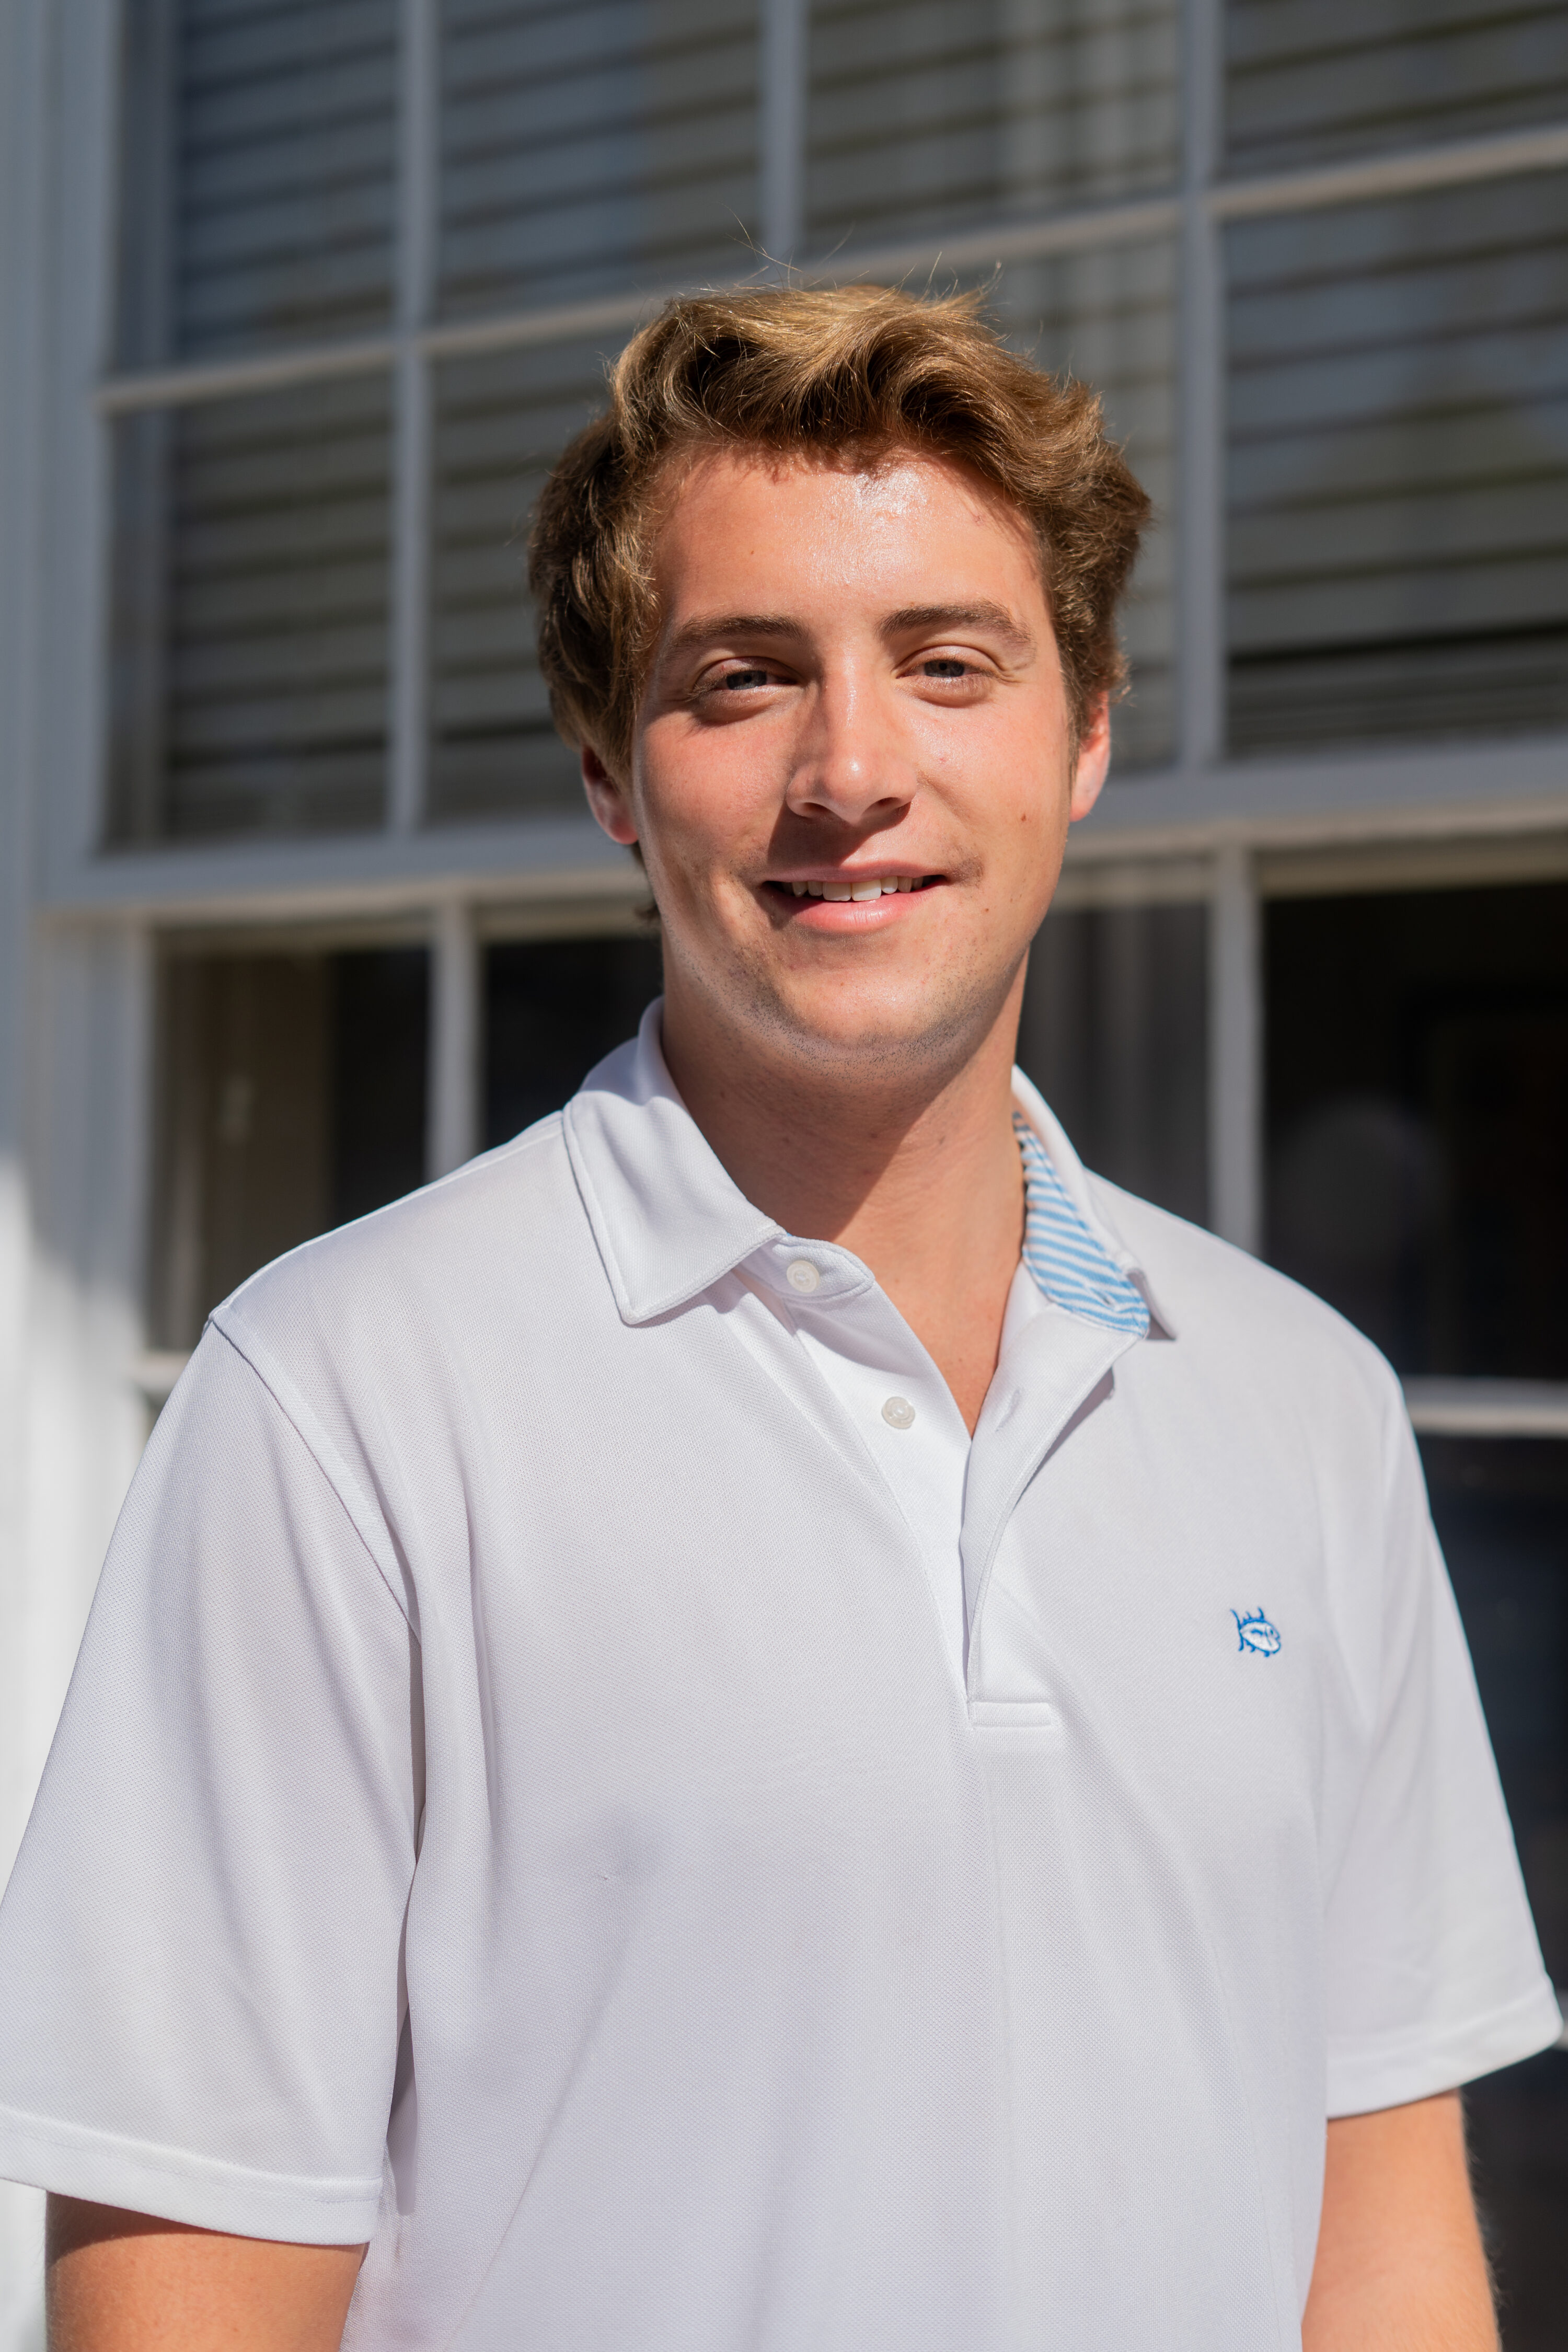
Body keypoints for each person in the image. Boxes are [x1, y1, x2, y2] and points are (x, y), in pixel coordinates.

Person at [0, 286, 1558, 2352]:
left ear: (1086, 733)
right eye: (743, 679)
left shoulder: (1301, 1405)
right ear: (608, 771)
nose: (854, 770)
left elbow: (1383, 2243)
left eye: (948, 663)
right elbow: (188, 2293)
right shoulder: (345, 1400)